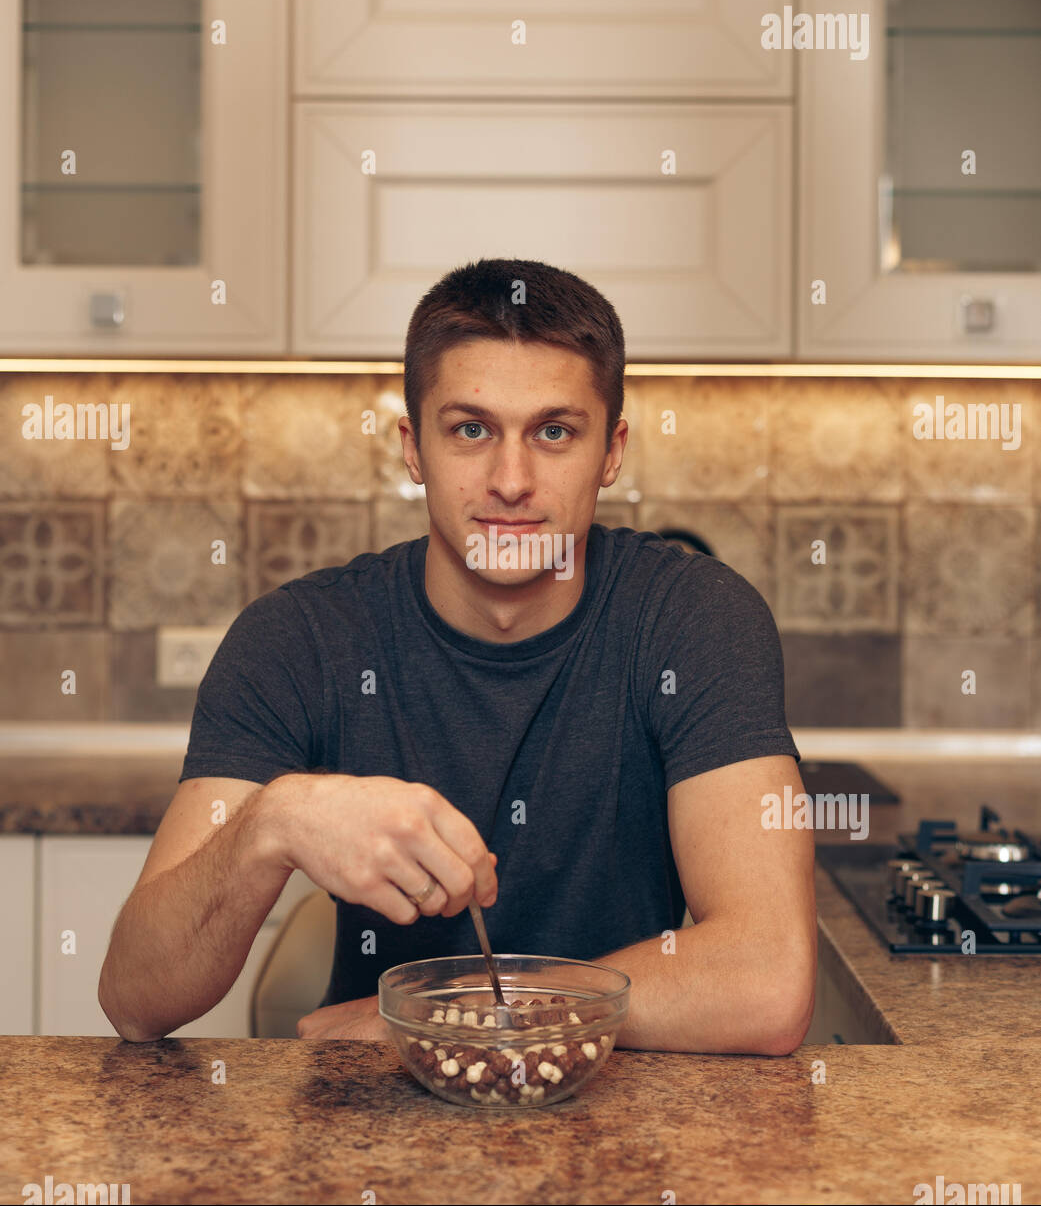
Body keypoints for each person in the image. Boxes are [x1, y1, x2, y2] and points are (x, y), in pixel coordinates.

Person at [99, 258, 816, 1054]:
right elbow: (136, 1000)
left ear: (610, 452)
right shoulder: (298, 640)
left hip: (624, 1113)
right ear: (413, 448)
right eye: (470, 429)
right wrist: (273, 822)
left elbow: (766, 980)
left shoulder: (693, 617)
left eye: (553, 432)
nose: (510, 480)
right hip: (369, 1122)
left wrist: (460, 1015)